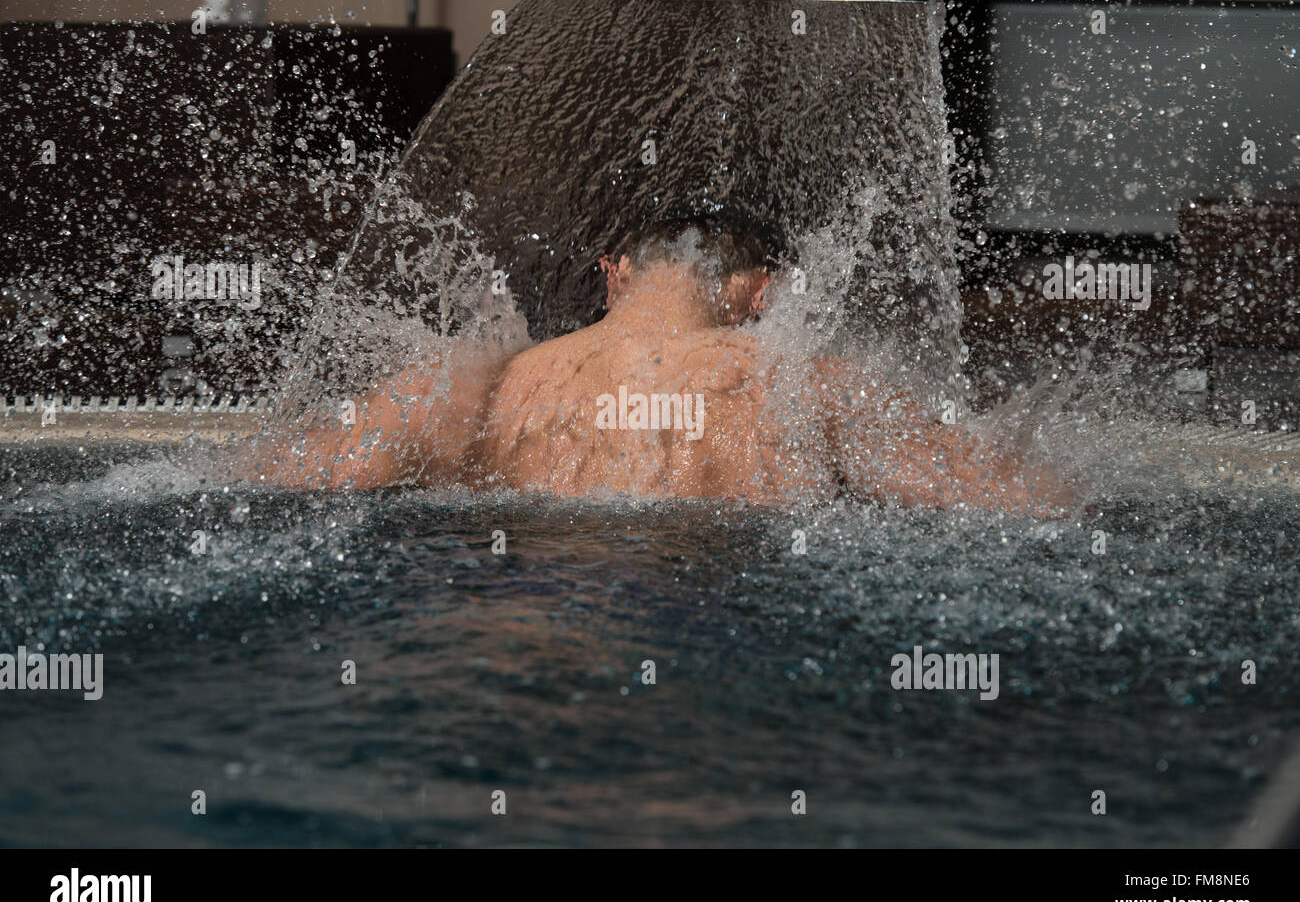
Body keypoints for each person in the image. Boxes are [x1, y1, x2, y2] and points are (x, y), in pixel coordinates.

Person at [242, 217, 1072, 513]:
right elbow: (1019, 500)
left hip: (539, 640)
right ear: (761, 292)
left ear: (616, 272)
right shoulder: (802, 387)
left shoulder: (485, 384)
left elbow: (272, 479)